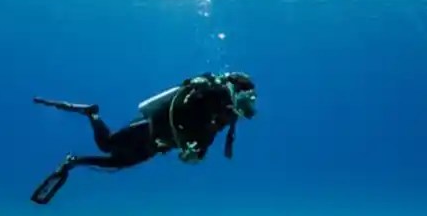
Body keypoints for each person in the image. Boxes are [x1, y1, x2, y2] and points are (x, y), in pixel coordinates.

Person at [29, 71, 257, 204]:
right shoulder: (213, 92)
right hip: (147, 128)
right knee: (107, 145)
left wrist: (193, 154)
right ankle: (92, 113)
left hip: (157, 145)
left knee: (118, 163)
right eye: (247, 94)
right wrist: (201, 85)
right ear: (237, 89)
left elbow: (204, 138)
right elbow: (190, 97)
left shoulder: (224, 116)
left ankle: (74, 161)